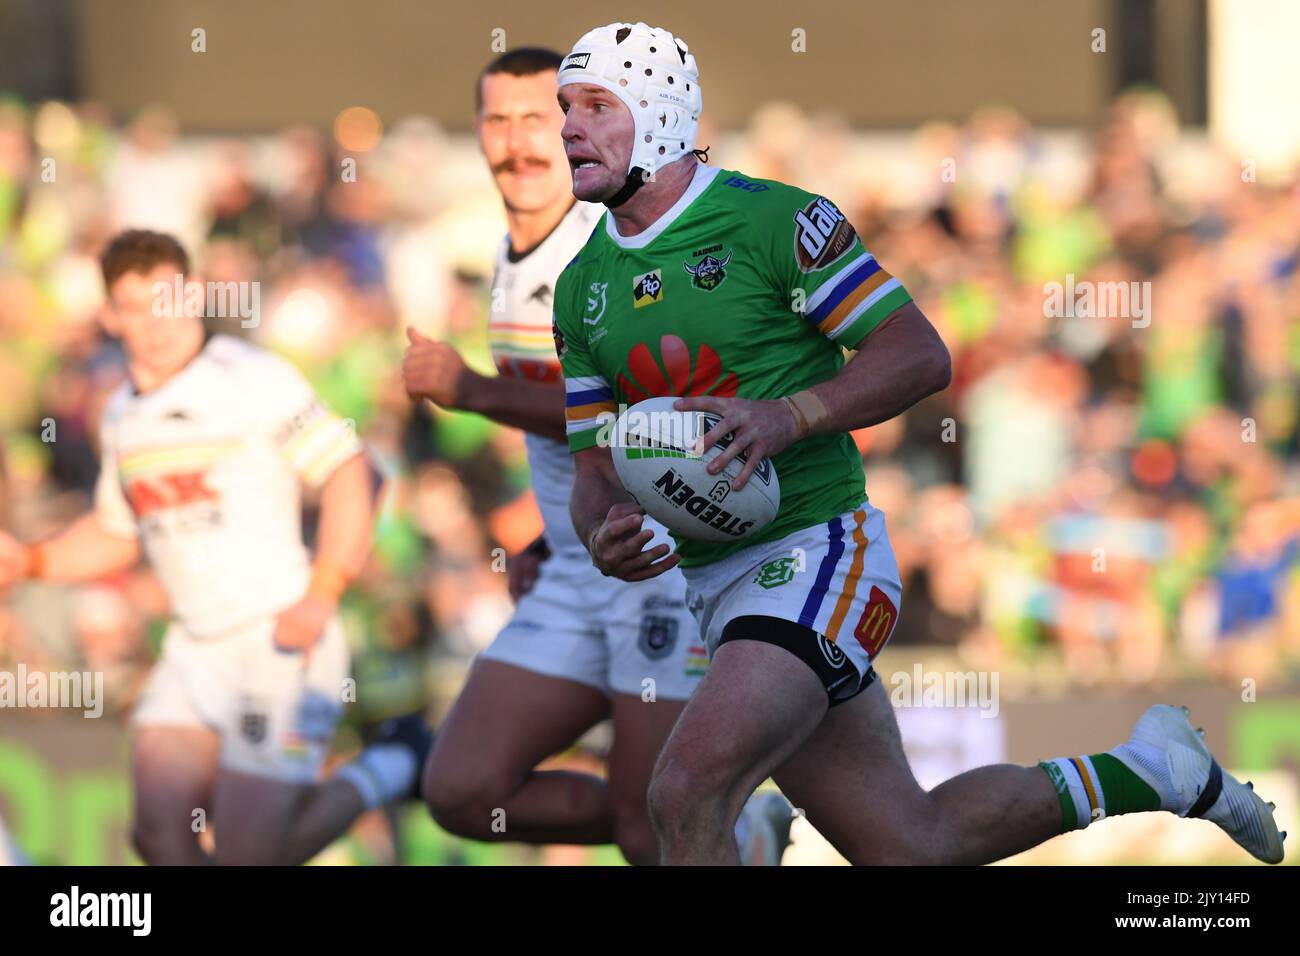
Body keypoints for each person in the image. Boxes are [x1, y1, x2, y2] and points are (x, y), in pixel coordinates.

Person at [552, 21, 1287, 865]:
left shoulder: (773, 221)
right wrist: (602, 530)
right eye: (564, 107)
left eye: (595, 104)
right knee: (914, 845)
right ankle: (1154, 771)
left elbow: (919, 354)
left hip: (819, 550)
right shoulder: (581, 289)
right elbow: (594, 468)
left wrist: (787, 416)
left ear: (662, 115)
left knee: (684, 792)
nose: (569, 126)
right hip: (716, 584)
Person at [403, 48, 790, 865]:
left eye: (538, 120)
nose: (519, 141)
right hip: (580, 560)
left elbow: (635, 418)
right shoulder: (511, 255)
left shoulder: (605, 240)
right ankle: (734, 821)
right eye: (497, 120)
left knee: (651, 830)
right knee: (463, 790)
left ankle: (728, 825)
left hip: (654, 559)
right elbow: (579, 432)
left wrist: (470, 391)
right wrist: (549, 534)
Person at [0, 230, 429, 865]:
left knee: (246, 854)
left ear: (195, 294)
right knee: (158, 837)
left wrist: (323, 592)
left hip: (278, 640)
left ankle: (388, 768)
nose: (157, 322)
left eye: (168, 299)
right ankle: (391, 765)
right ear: (111, 317)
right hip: (194, 649)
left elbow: (353, 472)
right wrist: (31, 561)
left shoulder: (251, 377)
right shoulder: (120, 412)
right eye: (137, 306)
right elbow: (118, 534)